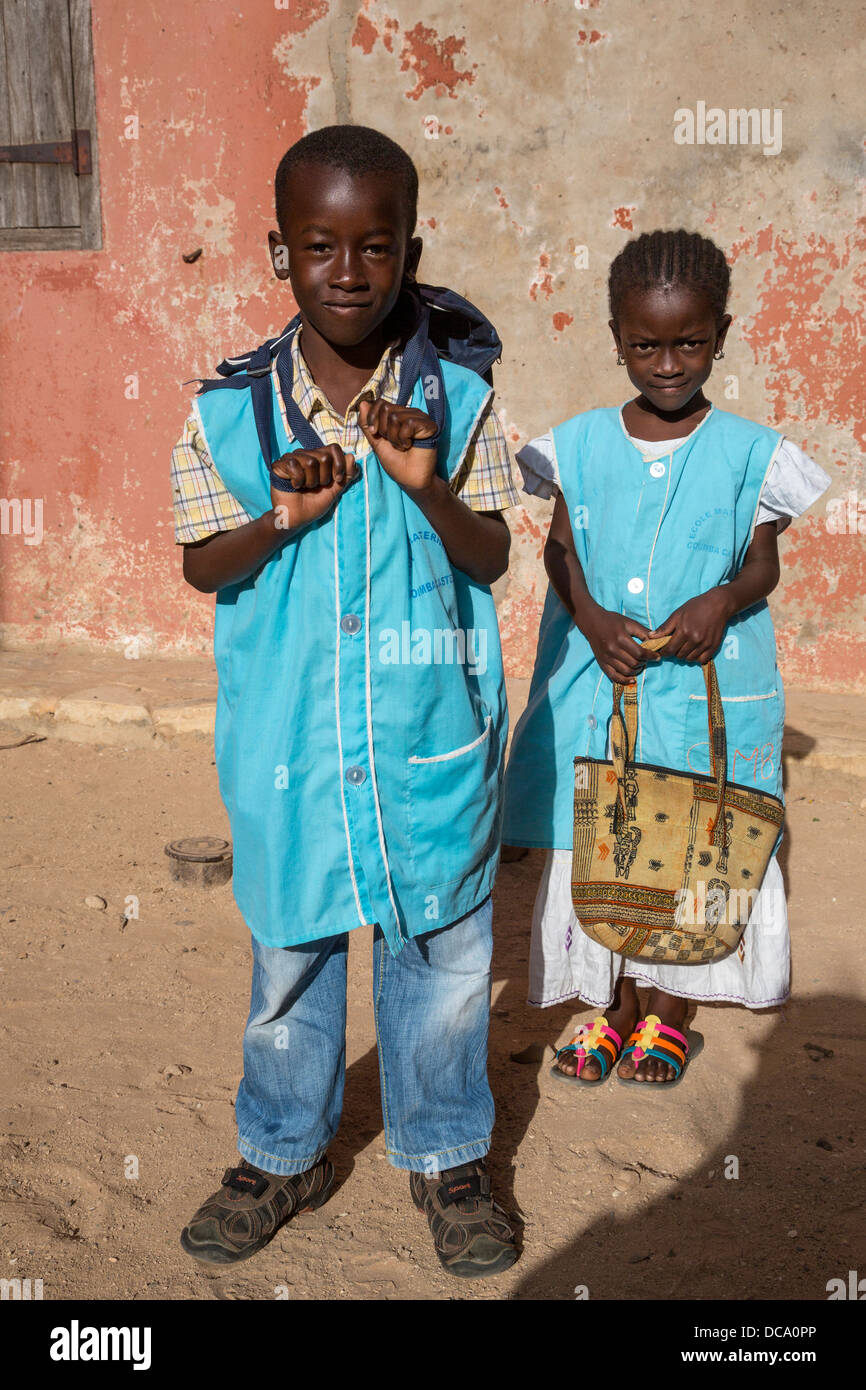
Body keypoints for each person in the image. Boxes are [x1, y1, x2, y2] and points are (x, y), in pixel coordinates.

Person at [170, 124, 520, 1275]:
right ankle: (282, 1149)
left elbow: (489, 560)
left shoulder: (459, 403)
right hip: (291, 751)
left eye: (377, 245)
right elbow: (197, 564)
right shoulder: (229, 412)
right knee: (292, 956)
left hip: (426, 745)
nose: (350, 271)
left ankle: (447, 1152)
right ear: (281, 251)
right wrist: (280, 518)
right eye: (320, 245)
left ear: (410, 247)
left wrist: (424, 488)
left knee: (441, 954)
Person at [503, 229, 830, 1086]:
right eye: (645, 344)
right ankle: (609, 1007)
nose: (669, 363)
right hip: (602, 678)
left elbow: (764, 561)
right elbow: (558, 549)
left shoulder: (753, 450)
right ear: (616, 338)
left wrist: (723, 600)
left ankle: (672, 1008)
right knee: (606, 835)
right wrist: (593, 616)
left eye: (690, 342)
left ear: (722, 334)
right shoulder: (573, 445)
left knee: (691, 842)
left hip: (704, 685)